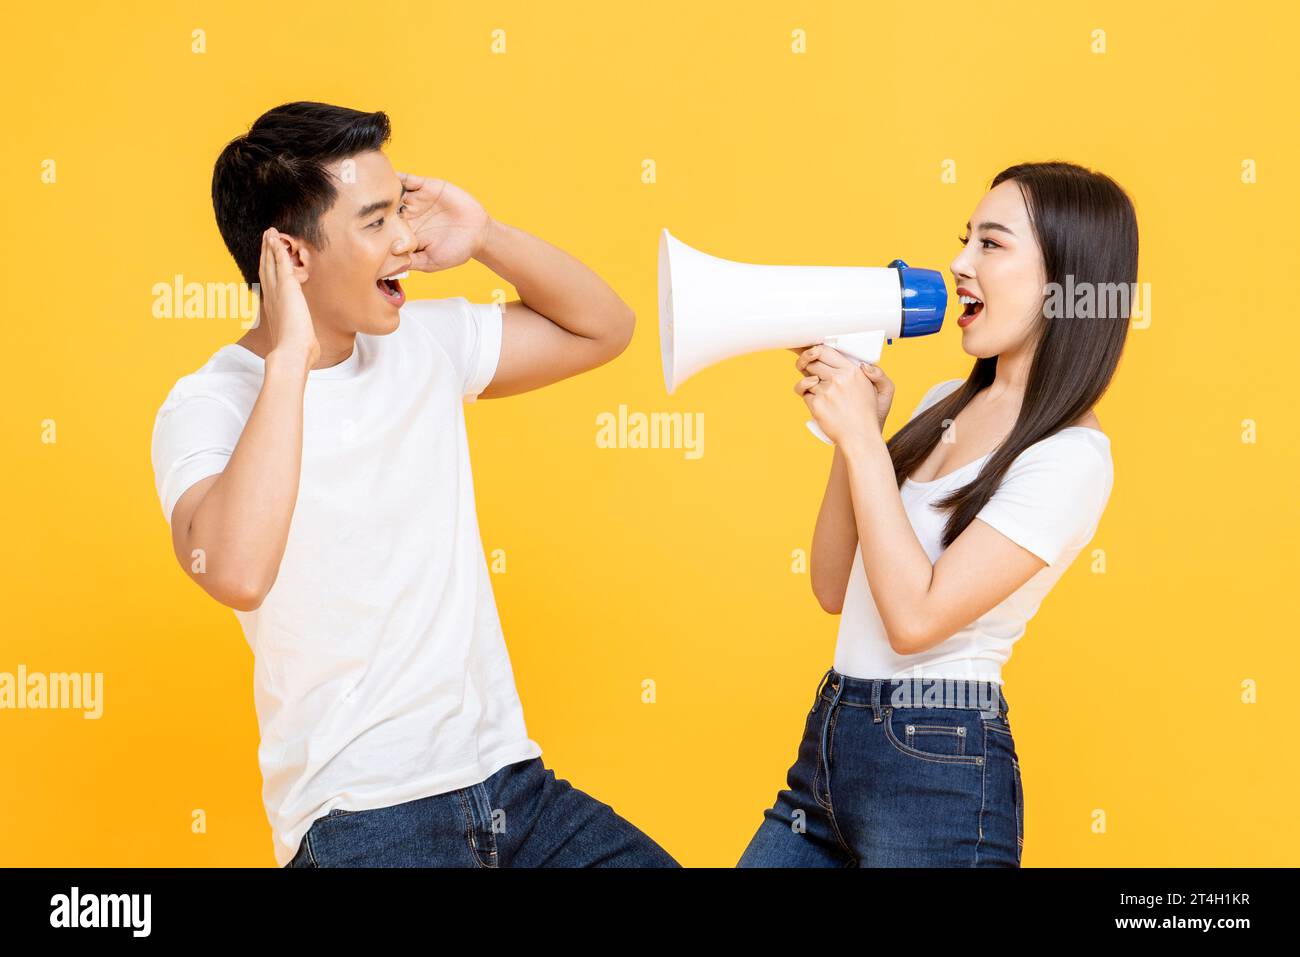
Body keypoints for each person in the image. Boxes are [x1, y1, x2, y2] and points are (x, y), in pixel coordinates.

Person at [150, 101, 678, 868]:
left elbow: (606, 327)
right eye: (375, 221)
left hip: (509, 787)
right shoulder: (208, 403)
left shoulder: (421, 346)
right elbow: (234, 570)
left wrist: (486, 235)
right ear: (291, 256)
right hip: (361, 821)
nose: (406, 240)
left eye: (399, 210)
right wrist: (289, 358)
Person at [738, 161, 1135, 867]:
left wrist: (863, 437)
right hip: (832, 738)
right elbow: (832, 584)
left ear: (1064, 281)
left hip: (938, 758)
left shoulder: (1071, 457)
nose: (958, 263)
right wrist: (855, 435)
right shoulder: (942, 404)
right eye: (965, 239)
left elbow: (916, 619)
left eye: (991, 243)